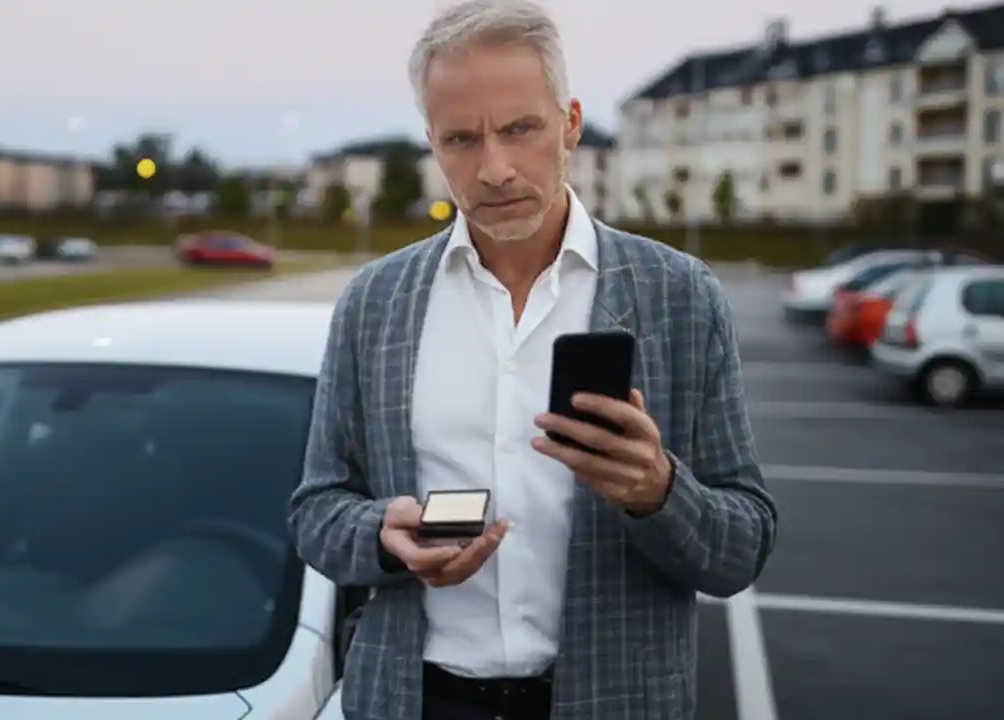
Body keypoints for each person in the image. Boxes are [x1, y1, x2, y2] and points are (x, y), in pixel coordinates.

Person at [287, 1, 778, 718]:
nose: (494, 168)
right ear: (432, 144)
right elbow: (315, 513)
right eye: (461, 139)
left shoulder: (679, 295)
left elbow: (743, 546)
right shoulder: (375, 302)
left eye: (521, 129)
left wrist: (658, 490)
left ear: (571, 123)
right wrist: (383, 539)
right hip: (416, 700)